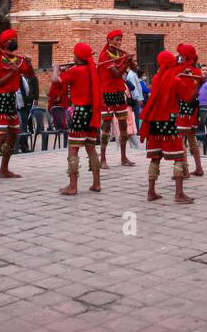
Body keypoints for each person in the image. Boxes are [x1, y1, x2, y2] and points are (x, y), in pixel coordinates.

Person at [141, 49, 197, 204]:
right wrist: (198, 84)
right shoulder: (175, 79)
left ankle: (151, 191)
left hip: (154, 122)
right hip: (169, 122)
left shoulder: (157, 77)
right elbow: (188, 97)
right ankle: (179, 194)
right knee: (179, 157)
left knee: (155, 157)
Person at [0, 29, 34, 184]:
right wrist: (11, 73)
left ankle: (4, 169)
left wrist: (29, 64)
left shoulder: (16, 60)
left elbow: (30, 75)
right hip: (1, 99)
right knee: (0, 137)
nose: (15, 41)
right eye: (12, 39)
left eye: (15, 38)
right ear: (5, 42)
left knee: (13, 135)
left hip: (12, 99)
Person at [57, 43, 104, 195]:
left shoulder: (75, 70)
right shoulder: (91, 70)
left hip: (80, 113)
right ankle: (96, 183)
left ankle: (73, 186)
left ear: (77, 56)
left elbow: (56, 81)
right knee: (91, 148)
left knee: (73, 148)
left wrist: (55, 69)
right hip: (91, 112)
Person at [97, 30, 136, 169]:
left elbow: (135, 69)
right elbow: (117, 74)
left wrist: (130, 60)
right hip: (107, 94)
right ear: (109, 41)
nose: (119, 43)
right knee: (106, 127)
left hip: (120, 93)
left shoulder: (120, 54)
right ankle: (103, 159)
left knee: (123, 125)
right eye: (116, 40)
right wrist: (126, 61)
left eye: (120, 40)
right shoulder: (104, 56)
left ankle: (124, 157)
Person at [173, 44, 207, 177]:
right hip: (194, 107)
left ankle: (184, 169)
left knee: (180, 139)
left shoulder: (179, 70)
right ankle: (199, 167)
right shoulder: (197, 71)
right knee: (191, 137)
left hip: (182, 106)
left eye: (181, 54)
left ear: (184, 56)